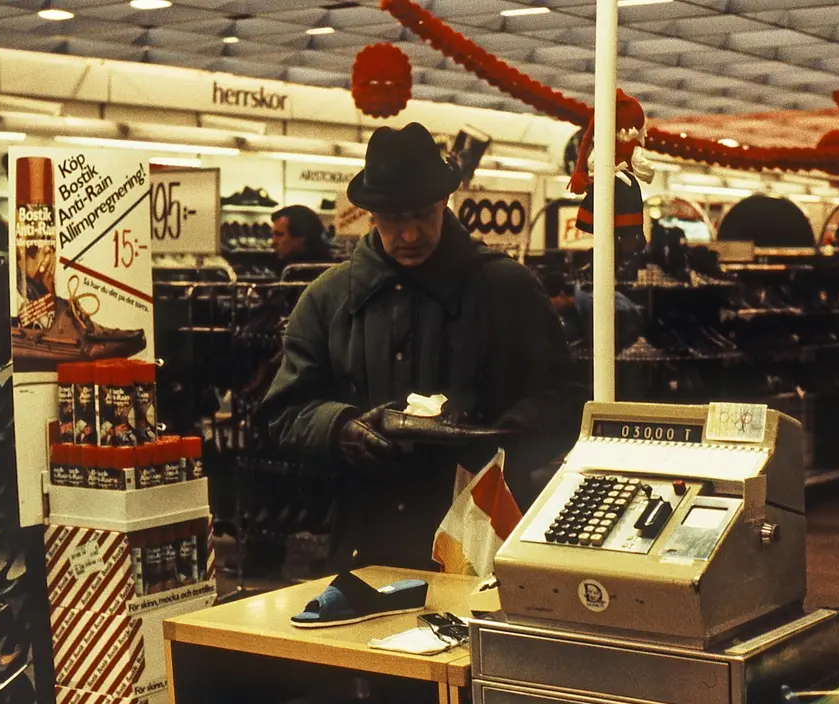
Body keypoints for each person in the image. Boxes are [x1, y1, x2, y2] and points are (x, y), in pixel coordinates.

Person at [260, 122, 585, 572]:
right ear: (371, 214)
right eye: (395, 219)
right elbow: (284, 412)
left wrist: (490, 437)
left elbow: (565, 401)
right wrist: (341, 428)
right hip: (365, 547)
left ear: (444, 202)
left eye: (421, 215)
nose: (410, 234)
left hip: (484, 541)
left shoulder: (509, 290)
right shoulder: (327, 299)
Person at [541, 271, 644, 352]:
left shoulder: (593, 304)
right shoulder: (572, 311)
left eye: (551, 303)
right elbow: (568, 336)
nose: (550, 308)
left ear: (561, 295)